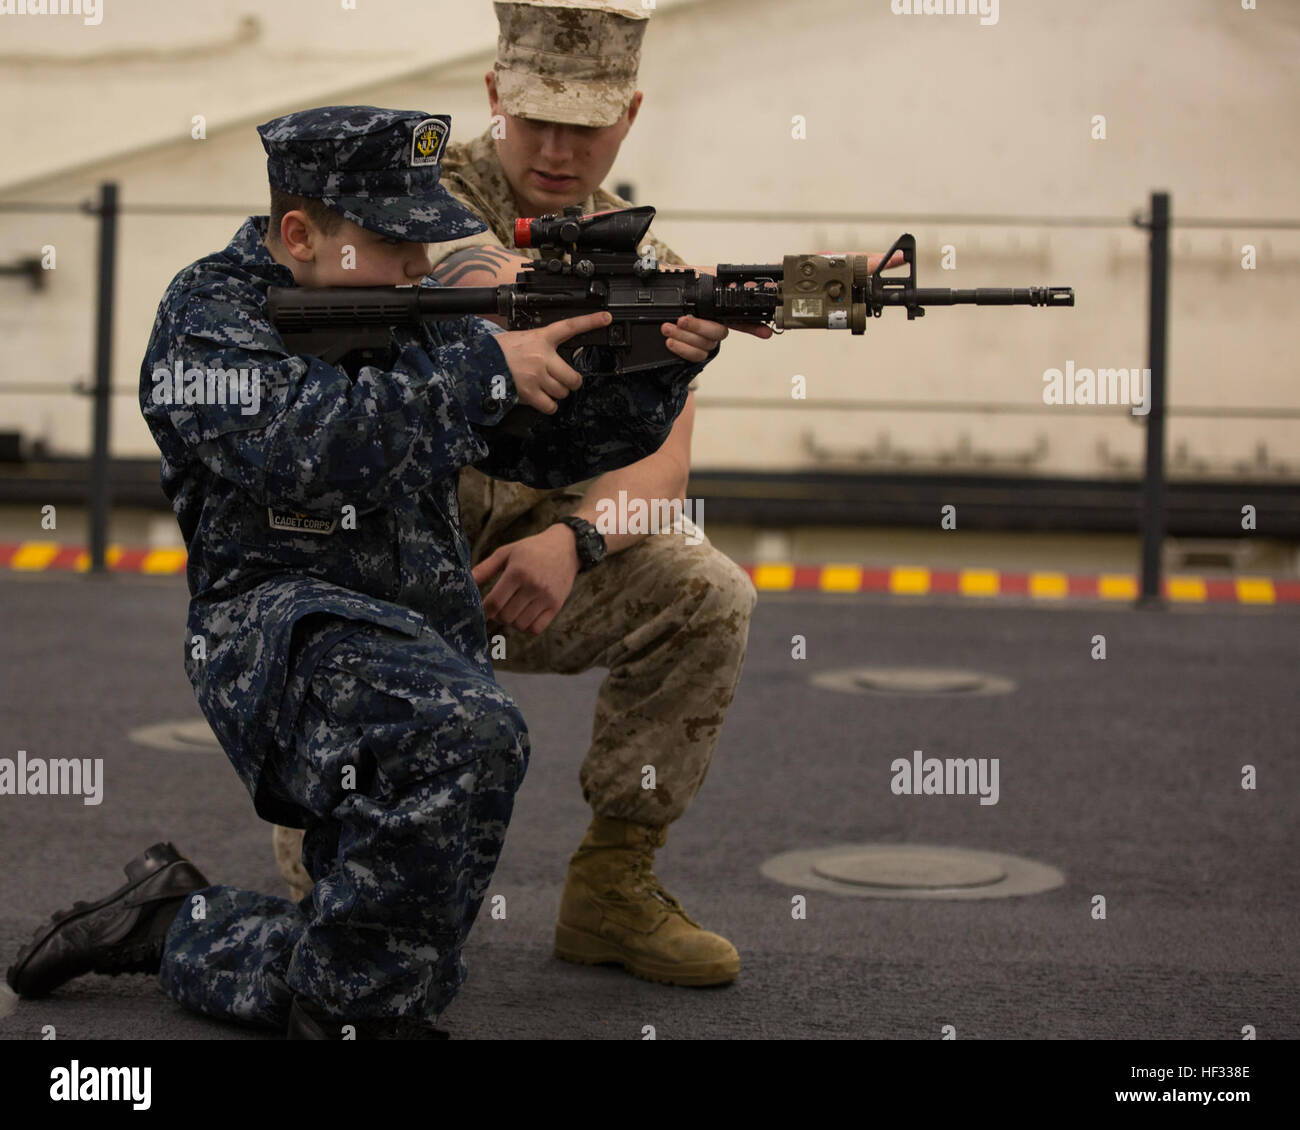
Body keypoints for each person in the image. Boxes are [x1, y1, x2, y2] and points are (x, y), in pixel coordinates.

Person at [5, 105, 725, 1038]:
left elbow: (546, 449)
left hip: (415, 633)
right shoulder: (207, 319)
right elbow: (313, 444)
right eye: (393, 242)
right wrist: (480, 371)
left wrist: (650, 369)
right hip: (280, 634)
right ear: (300, 234)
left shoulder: (408, 313)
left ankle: (188, 925)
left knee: (395, 966)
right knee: (467, 732)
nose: (421, 264)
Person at [270, 0, 761, 990]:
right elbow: (471, 265)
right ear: (493, 97)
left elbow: (663, 466)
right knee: (350, 944)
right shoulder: (412, 200)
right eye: (534, 117)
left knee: (708, 596)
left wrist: (573, 541)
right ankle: (327, 882)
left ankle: (612, 888)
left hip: (522, 564)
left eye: (584, 124)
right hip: (386, 557)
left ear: (628, 117)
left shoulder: (641, 260)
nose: (554, 146)